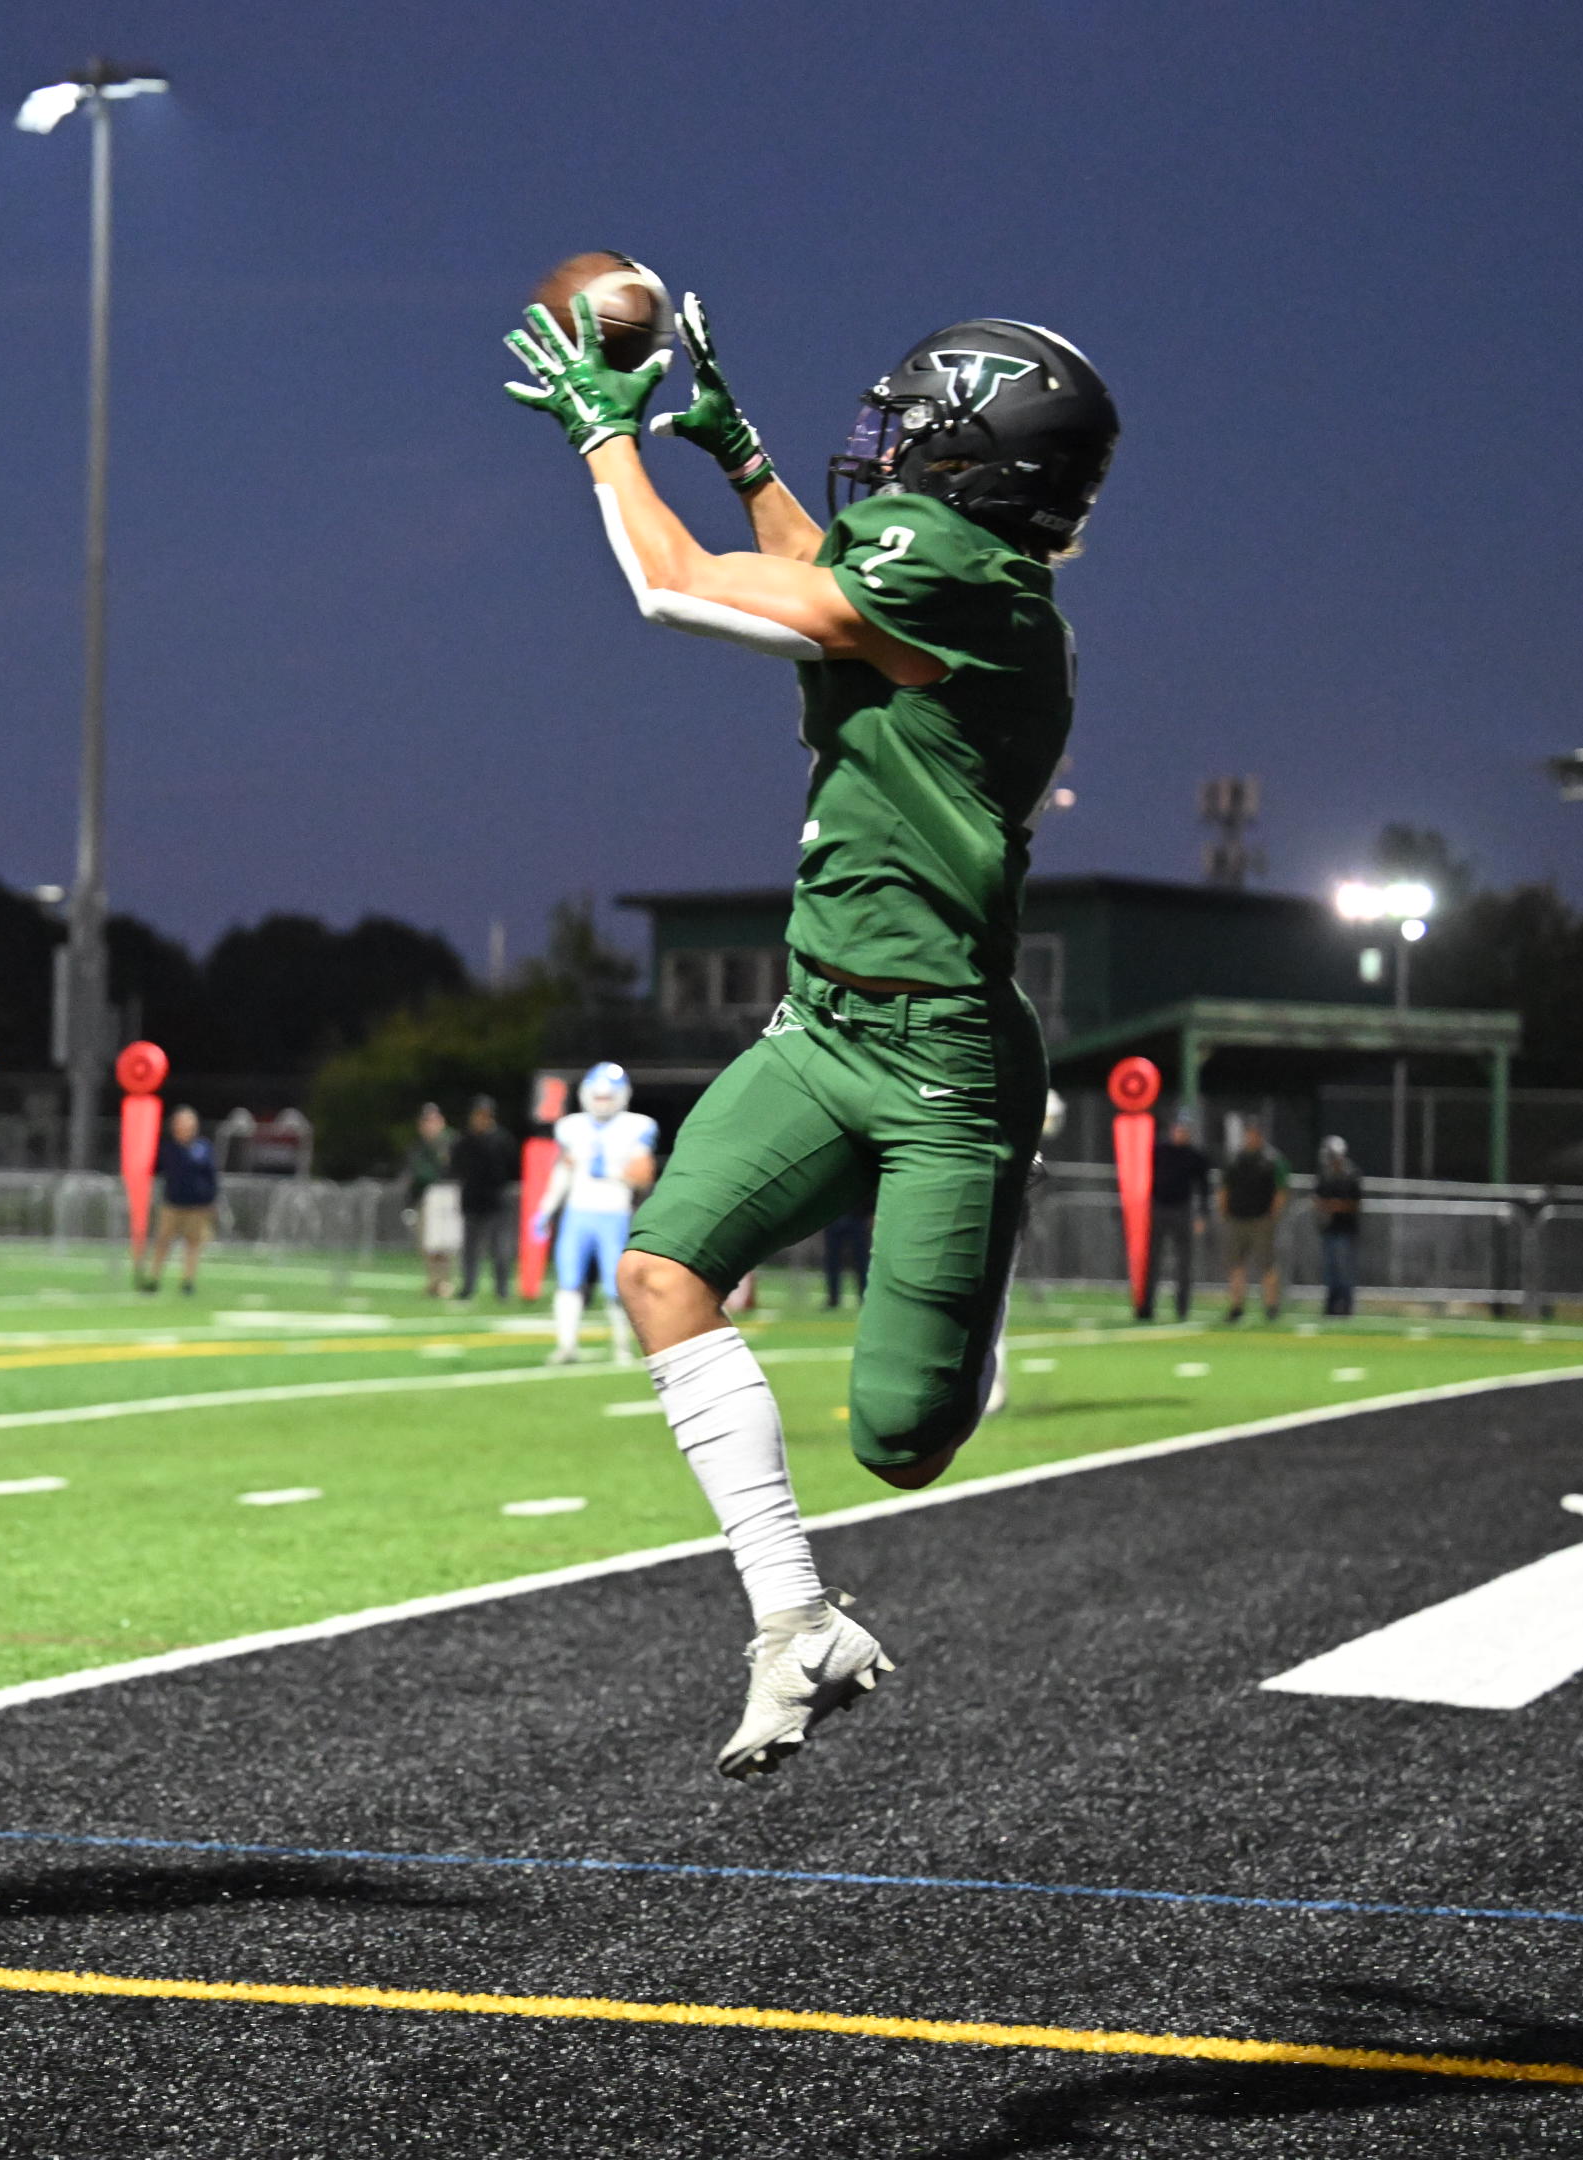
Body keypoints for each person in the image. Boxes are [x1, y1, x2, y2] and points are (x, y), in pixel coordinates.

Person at [506, 285, 1115, 1773]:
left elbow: (686, 591)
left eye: (913, 434)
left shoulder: (976, 589)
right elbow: (829, 577)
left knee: (904, 1446)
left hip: (946, 1066)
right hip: (819, 1027)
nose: (883, 452)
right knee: (659, 1275)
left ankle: (971, 1295)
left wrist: (609, 443)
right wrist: (736, 453)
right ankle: (797, 1621)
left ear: (977, 463)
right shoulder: (946, 572)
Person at [533, 1063, 655, 1365]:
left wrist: (612, 1171)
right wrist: (545, 1209)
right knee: (568, 1280)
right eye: (597, 1096)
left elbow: (643, 1175)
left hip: (614, 1213)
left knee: (618, 1287)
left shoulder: (637, 1126)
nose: (602, 1102)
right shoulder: (571, 1127)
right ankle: (566, 1345)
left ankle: (623, 1346)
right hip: (578, 1212)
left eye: (607, 1096)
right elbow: (561, 1173)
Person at [450, 1095, 520, 1303]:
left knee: (500, 1249)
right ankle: (468, 1288)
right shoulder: (465, 1140)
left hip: (497, 1201)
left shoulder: (502, 1139)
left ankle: (502, 1290)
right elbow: (457, 1167)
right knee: (470, 1250)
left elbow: (512, 1168)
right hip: (473, 1201)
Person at [1218, 1117, 1287, 1323]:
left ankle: (1271, 1307)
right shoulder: (1235, 1159)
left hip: (1261, 1220)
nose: (1251, 1137)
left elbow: (1280, 1190)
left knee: (1267, 1265)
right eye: (1248, 1133)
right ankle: (1237, 1306)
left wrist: (1272, 1215)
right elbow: (1224, 1188)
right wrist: (1224, 1212)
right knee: (1236, 1264)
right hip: (1237, 1218)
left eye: (1254, 1133)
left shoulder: (1272, 1160)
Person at [1143, 1115, 1209, 1323]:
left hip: (1182, 1210)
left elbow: (1204, 1187)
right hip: (1158, 1208)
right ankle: (1146, 1305)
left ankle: (1182, 1308)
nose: (1180, 1133)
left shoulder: (1195, 1156)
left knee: (1184, 1263)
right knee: (1152, 1260)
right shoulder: (1159, 1150)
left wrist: (1202, 1214)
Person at [143, 1105, 216, 1294]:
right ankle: (154, 1278)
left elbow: (210, 1175)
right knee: (163, 1240)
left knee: (193, 1242)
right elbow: (153, 1168)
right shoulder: (168, 1148)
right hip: (173, 1203)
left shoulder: (203, 1147)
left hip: (197, 1205)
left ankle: (188, 1281)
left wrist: (210, 1199)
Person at [405, 1102, 459, 1299]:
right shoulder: (419, 1146)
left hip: (446, 1196)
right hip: (425, 1198)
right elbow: (417, 1174)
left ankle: (444, 1281)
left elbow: (446, 1171)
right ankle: (434, 1281)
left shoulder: (450, 1142)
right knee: (428, 1244)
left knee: (443, 1243)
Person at [1314, 1135, 1363, 1318]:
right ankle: (1331, 1306)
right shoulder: (1325, 1175)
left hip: (1346, 1229)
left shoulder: (1351, 1174)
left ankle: (1346, 1306)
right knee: (1330, 1271)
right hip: (1329, 1228)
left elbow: (1354, 1203)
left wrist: (1336, 1206)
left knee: (1345, 1271)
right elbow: (1318, 1199)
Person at [820, 1211, 871, 1310]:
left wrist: (870, 1212)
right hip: (834, 1217)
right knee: (832, 1262)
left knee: (861, 1262)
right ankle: (833, 1299)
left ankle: (864, 1297)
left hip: (859, 1216)